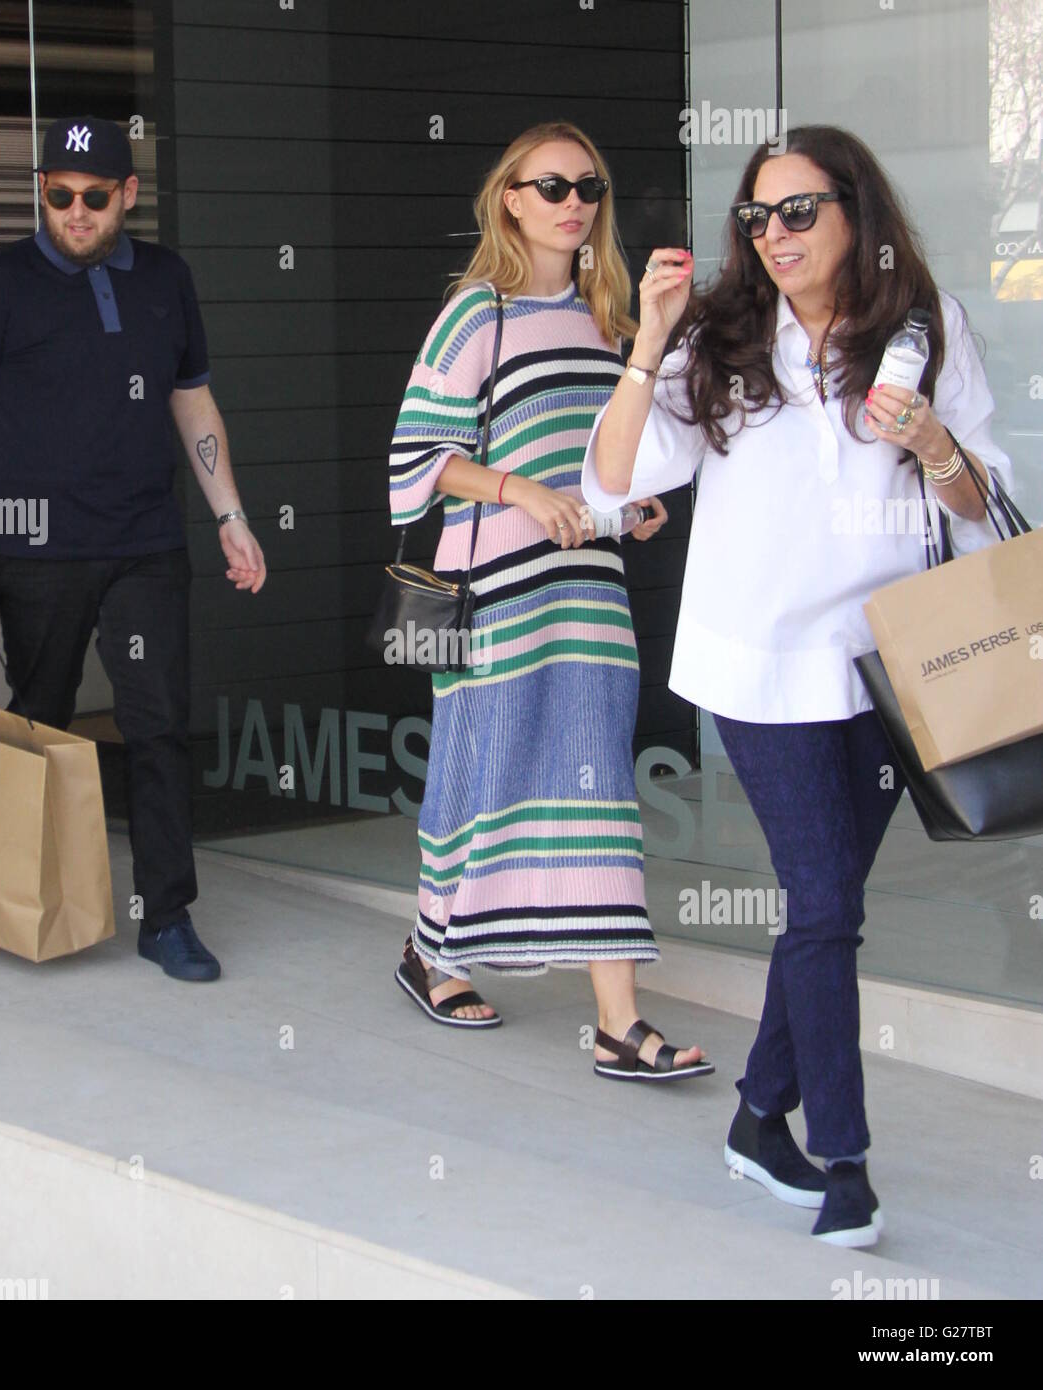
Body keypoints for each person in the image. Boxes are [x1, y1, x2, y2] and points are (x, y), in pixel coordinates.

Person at [584, 124, 1012, 1242]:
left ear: (854, 214)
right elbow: (609, 482)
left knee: (823, 910)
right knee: (823, 903)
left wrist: (924, 439)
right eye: (755, 218)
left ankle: (756, 1119)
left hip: (885, 666)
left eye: (798, 212)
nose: (772, 235)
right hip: (758, 666)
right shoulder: (721, 340)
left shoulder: (924, 328)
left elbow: (984, 505)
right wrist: (648, 340)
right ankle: (847, 1160)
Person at [387, 120, 713, 1083]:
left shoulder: (606, 320)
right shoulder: (473, 315)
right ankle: (430, 951)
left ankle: (619, 1021)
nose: (575, 202)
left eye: (590, 187)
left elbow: (603, 465)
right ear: (512, 200)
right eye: (554, 185)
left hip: (588, 590)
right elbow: (415, 459)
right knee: (481, 769)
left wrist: (630, 507)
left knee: (596, 781)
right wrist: (521, 491)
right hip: (493, 588)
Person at [0, 115, 266, 982]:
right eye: (55, 194)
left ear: (128, 195)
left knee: (157, 730)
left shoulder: (165, 279)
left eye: (91, 196)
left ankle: (167, 918)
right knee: (37, 721)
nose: (72, 213)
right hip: (34, 549)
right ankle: (29, 899)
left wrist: (230, 514)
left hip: (147, 541)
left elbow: (193, 405)